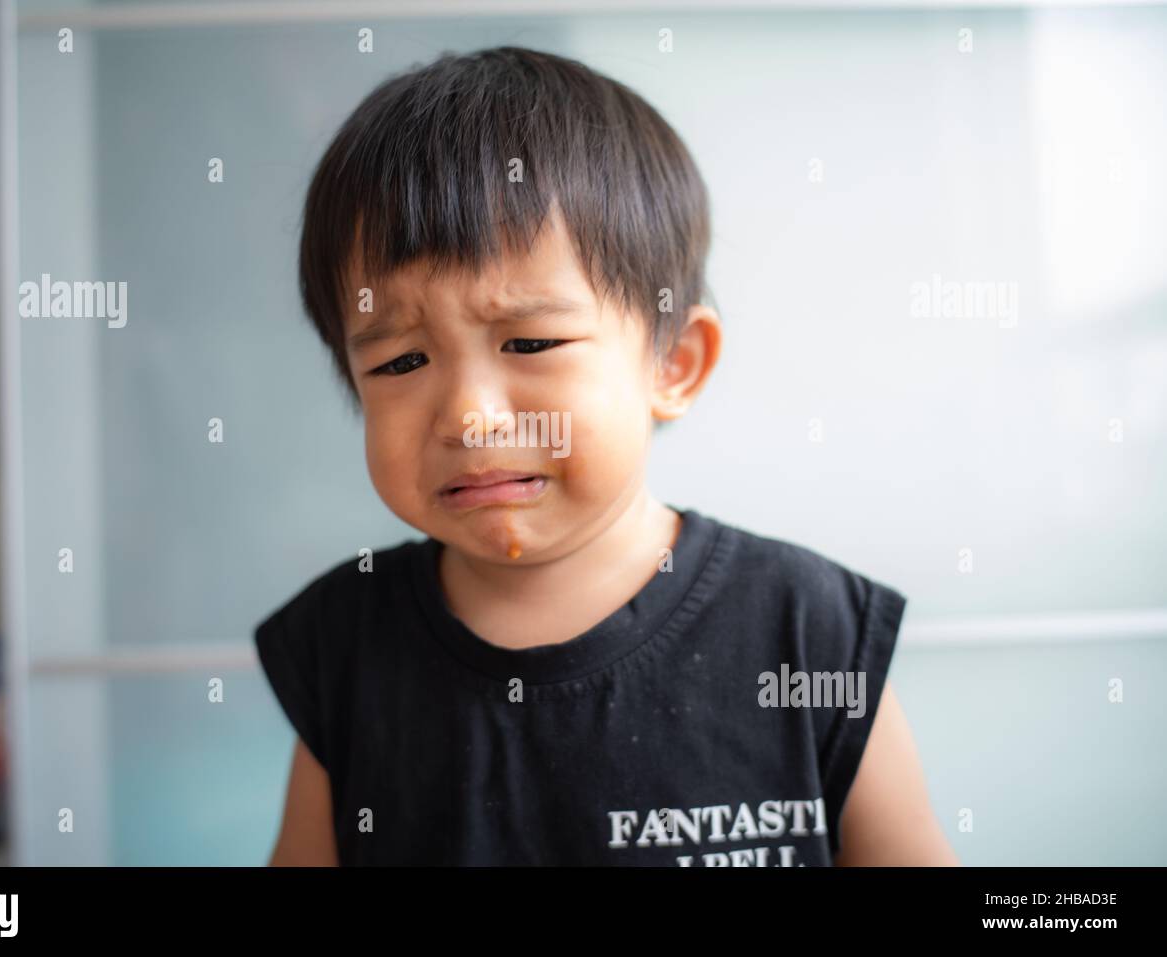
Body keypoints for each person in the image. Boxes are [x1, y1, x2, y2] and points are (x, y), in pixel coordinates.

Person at [255, 46, 957, 866]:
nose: (470, 418)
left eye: (530, 340)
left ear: (672, 363)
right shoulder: (347, 648)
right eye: (400, 362)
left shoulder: (805, 628)